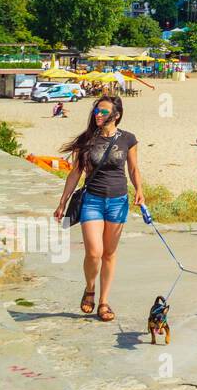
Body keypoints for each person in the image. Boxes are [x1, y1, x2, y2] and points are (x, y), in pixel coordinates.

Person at [53, 95, 143, 323]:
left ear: (117, 115)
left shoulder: (128, 139)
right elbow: (75, 173)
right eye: (96, 111)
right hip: (91, 200)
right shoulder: (87, 140)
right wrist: (63, 201)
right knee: (94, 252)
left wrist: (139, 190)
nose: (98, 115)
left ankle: (103, 301)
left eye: (103, 111)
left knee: (110, 254)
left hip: (118, 201)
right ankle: (90, 288)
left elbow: (133, 169)